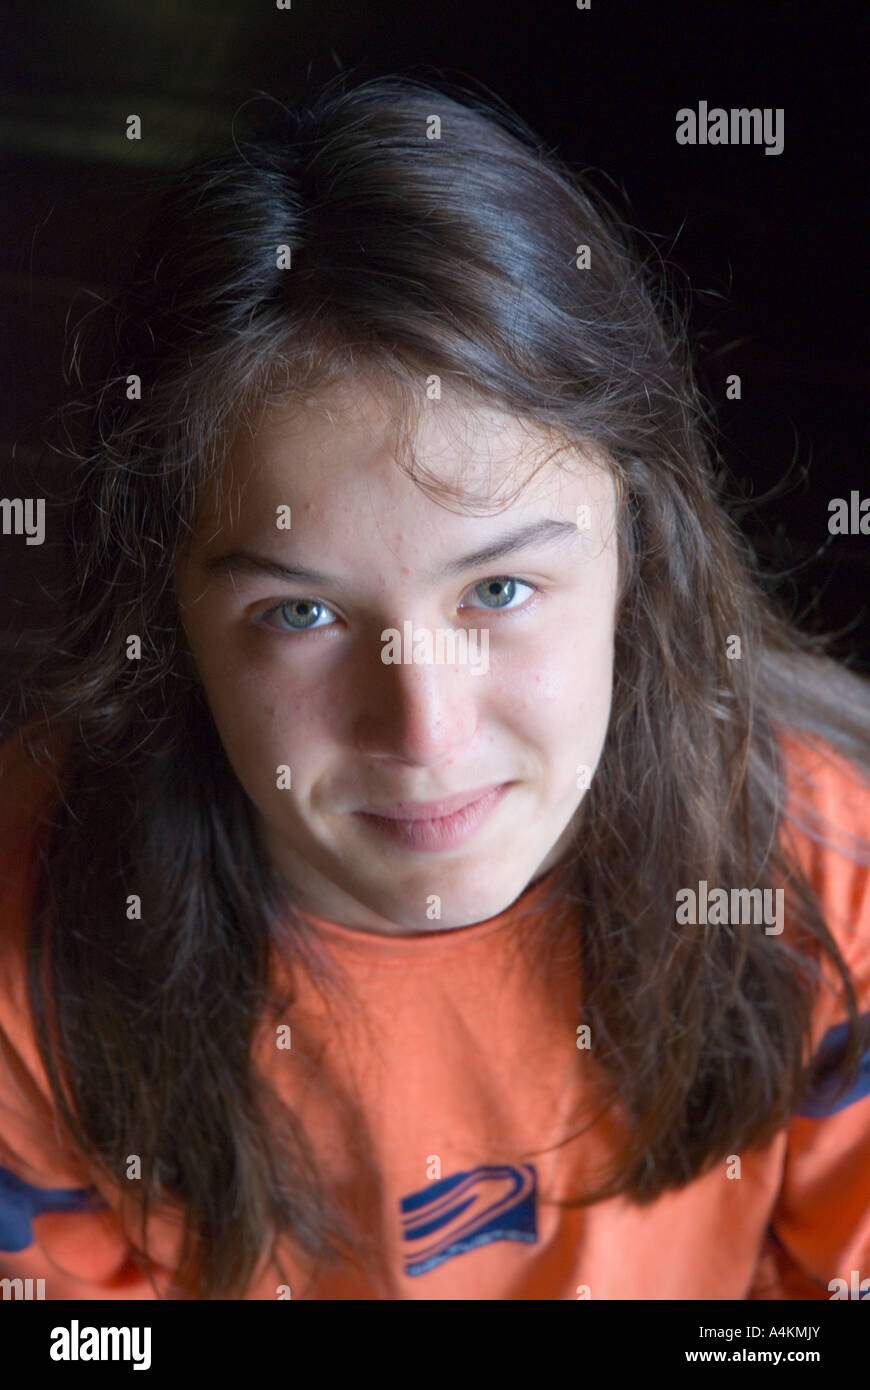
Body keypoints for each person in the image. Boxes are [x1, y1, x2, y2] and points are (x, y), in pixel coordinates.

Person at [1, 71, 868, 1302]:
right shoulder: (29, 957)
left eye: (501, 591)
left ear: (639, 549)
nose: (425, 730)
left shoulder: (833, 883)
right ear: (165, 613)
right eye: (300, 613)